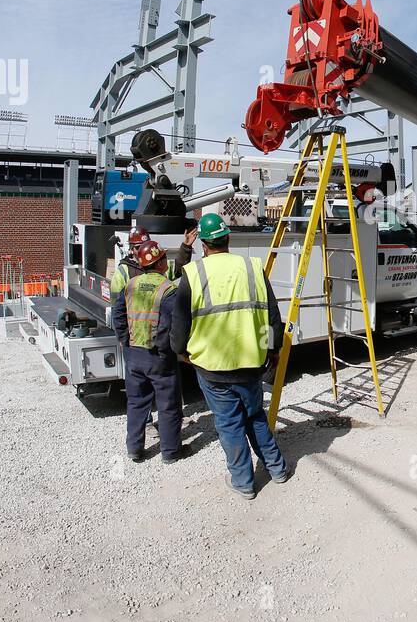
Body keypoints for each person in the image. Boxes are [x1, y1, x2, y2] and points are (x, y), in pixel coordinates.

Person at [169, 213, 288, 499]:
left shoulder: (194, 274)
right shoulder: (252, 268)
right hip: (250, 362)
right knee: (255, 416)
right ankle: (278, 468)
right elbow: (273, 316)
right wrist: (272, 351)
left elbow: (179, 324)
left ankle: (244, 482)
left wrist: (180, 352)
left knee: (229, 423)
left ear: (204, 245)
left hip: (213, 366)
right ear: (227, 239)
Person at [112, 239, 189, 464]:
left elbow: (118, 315)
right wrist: (177, 350)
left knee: (136, 402)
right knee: (168, 405)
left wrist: (125, 341)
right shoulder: (168, 289)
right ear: (161, 262)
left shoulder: (131, 285)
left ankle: (135, 450)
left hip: (133, 354)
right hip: (159, 356)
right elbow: (175, 324)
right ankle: (170, 452)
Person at [110, 226, 196, 295]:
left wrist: (186, 247)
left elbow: (178, 269)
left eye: (146, 245)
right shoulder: (123, 271)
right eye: (138, 247)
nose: (143, 249)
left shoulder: (158, 263)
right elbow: (116, 303)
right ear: (131, 249)